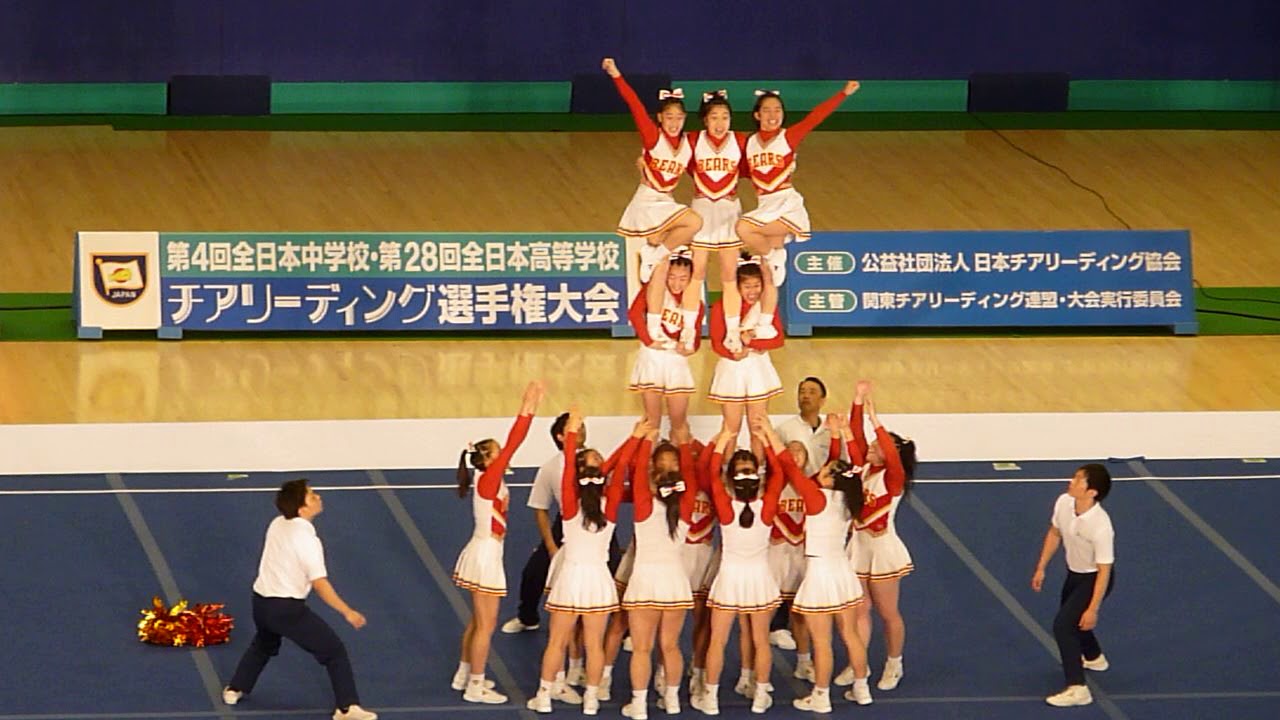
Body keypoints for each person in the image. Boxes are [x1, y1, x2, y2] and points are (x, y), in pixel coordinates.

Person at [222, 479, 377, 720]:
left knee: (263, 645)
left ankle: (235, 688)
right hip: (286, 610)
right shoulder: (307, 540)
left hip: (261, 602)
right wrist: (347, 611)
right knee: (334, 652)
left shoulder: (277, 524)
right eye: (312, 496)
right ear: (302, 509)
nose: (318, 497)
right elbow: (320, 583)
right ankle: (347, 708)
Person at [528, 412, 645, 715]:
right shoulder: (612, 502)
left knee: (556, 642)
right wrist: (635, 438)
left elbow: (569, 466)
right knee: (595, 644)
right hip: (598, 581)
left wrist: (570, 434)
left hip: (570, 578)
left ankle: (543, 696)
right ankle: (591, 699)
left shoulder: (569, 504)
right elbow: (616, 470)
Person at [756, 417, 873, 712]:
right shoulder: (849, 498)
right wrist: (838, 435)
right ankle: (862, 688)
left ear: (831, 478)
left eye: (826, 471)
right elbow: (844, 468)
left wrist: (770, 434)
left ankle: (820, 696)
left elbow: (789, 467)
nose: (821, 469)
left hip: (820, 573)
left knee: (821, 642)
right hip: (842, 571)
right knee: (849, 633)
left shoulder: (816, 497)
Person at [450, 380, 544, 703]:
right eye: (498, 453)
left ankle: (464, 675)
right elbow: (515, 441)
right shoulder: (490, 479)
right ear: (488, 460)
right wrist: (527, 409)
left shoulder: (486, 477)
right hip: (486, 552)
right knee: (487, 625)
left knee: (478, 621)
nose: (503, 455)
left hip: (484, 547)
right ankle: (476, 685)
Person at [694, 427, 786, 715]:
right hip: (759, 578)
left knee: (717, 640)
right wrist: (768, 437)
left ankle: (710, 697)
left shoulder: (725, 503)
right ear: (757, 476)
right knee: (760, 640)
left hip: (730, 578)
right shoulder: (768, 503)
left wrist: (721, 440)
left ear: (732, 479)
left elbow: (709, 473)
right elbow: (781, 473)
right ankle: (760, 694)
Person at [735, 81, 860, 286]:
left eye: (777, 110)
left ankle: (774, 257)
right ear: (757, 115)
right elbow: (744, 172)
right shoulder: (749, 143)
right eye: (767, 110)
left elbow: (815, 117)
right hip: (765, 204)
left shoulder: (788, 136)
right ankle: (770, 312)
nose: (773, 114)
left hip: (785, 204)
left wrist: (843, 94)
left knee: (743, 228)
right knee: (771, 274)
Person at [835, 381, 916, 693]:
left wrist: (875, 418)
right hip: (859, 546)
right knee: (858, 610)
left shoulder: (894, 477)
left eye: (878, 443)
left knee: (887, 612)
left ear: (891, 451)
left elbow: (891, 456)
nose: (870, 445)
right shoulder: (866, 468)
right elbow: (855, 434)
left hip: (882, 550)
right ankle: (859, 662)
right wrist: (856, 402)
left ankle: (894, 662)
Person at [601, 57, 703, 289]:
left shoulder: (689, 143)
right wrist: (616, 74)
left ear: (685, 119)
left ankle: (653, 255)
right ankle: (652, 255)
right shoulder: (653, 137)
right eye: (669, 117)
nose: (674, 123)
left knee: (668, 239)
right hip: (647, 199)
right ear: (659, 118)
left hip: (666, 200)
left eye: (679, 118)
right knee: (693, 222)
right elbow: (634, 104)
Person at [619, 430, 698, 719]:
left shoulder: (643, 503)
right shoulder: (686, 503)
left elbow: (639, 471)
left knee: (642, 648)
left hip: (645, 581)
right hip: (675, 581)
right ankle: (673, 699)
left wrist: (645, 438)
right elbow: (688, 471)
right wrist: (684, 441)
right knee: (671, 645)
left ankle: (639, 705)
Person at [1032, 463, 1116, 708]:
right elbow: (1055, 533)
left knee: (1063, 626)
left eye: (1079, 480)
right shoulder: (1064, 503)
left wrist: (1093, 608)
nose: (1072, 481)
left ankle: (1078, 688)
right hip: (1075, 574)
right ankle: (1094, 657)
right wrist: (1041, 567)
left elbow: (1104, 570)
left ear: (1092, 492)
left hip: (1094, 578)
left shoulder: (1100, 525)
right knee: (1075, 623)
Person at [684, 89, 750, 350]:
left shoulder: (742, 141)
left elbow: (752, 170)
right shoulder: (692, 140)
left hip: (729, 210)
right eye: (714, 117)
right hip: (701, 209)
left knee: (729, 275)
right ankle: (689, 329)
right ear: (705, 120)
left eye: (725, 117)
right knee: (696, 273)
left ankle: (732, 331)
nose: (720, 123)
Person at [707, 261, 783, 458]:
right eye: (747, 286)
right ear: (737, 287)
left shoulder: (766, 306)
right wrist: (732, 354)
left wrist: (754, 344)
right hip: (732, 369)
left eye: (756, 286)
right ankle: (724, 471)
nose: (752, 291)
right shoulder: (720, 307)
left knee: (758, 427)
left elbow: (778, 339)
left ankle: (760, 472)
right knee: (730, 429)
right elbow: (716, 342)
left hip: (758, 370)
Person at [628, 253, 703, 435]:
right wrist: (649, 340)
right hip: (652, 358)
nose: (677, 284)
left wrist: (688, 349)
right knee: (651, 421)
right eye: (672, 277)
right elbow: (634, 314)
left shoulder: (695, 304)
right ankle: (646, 458)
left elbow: (696, 338)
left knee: (679, 421)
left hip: (676, 361)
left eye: (683, 279)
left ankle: (679, 458)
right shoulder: (653, 290)